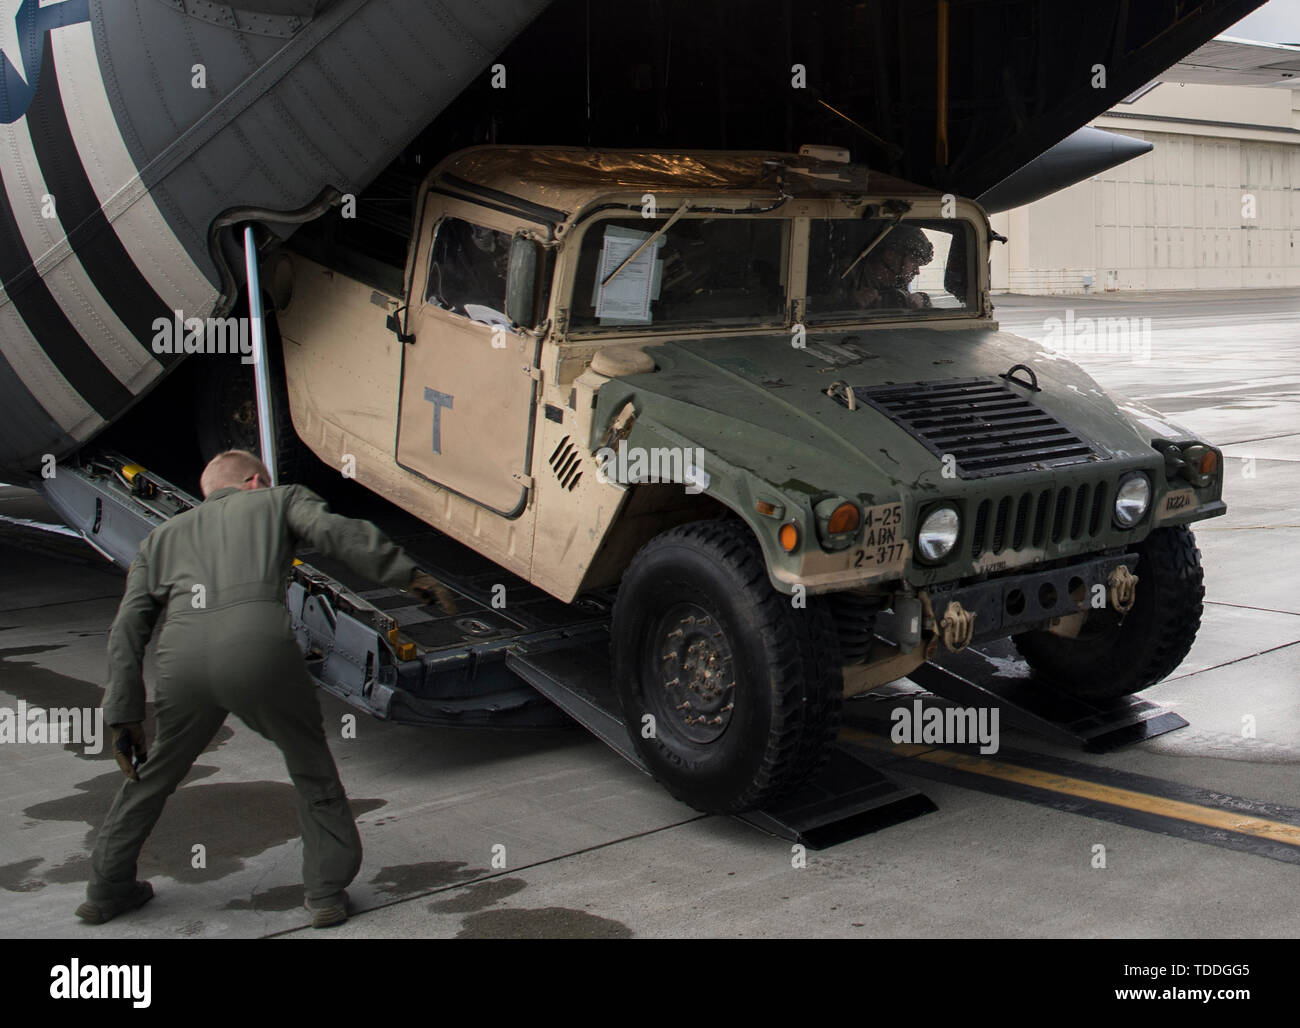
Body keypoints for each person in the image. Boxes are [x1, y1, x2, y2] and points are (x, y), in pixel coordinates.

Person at [76, 450, 455, 929]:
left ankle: (105, 889)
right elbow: (337, 533)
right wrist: (407, 574)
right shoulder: (279, 500)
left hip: (183, 663)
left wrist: (123, 711)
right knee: (309, 766)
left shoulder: (161, 537)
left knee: (153, 774)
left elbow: (128, 627)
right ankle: (324, 895)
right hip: (259, 651)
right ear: (255, 481)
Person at [847, 224, 934, 310]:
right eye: (913, 261)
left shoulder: (897, 283)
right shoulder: (847, 275)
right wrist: (852, 302)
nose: (917, 271)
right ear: (890, 255)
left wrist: (922, 300)